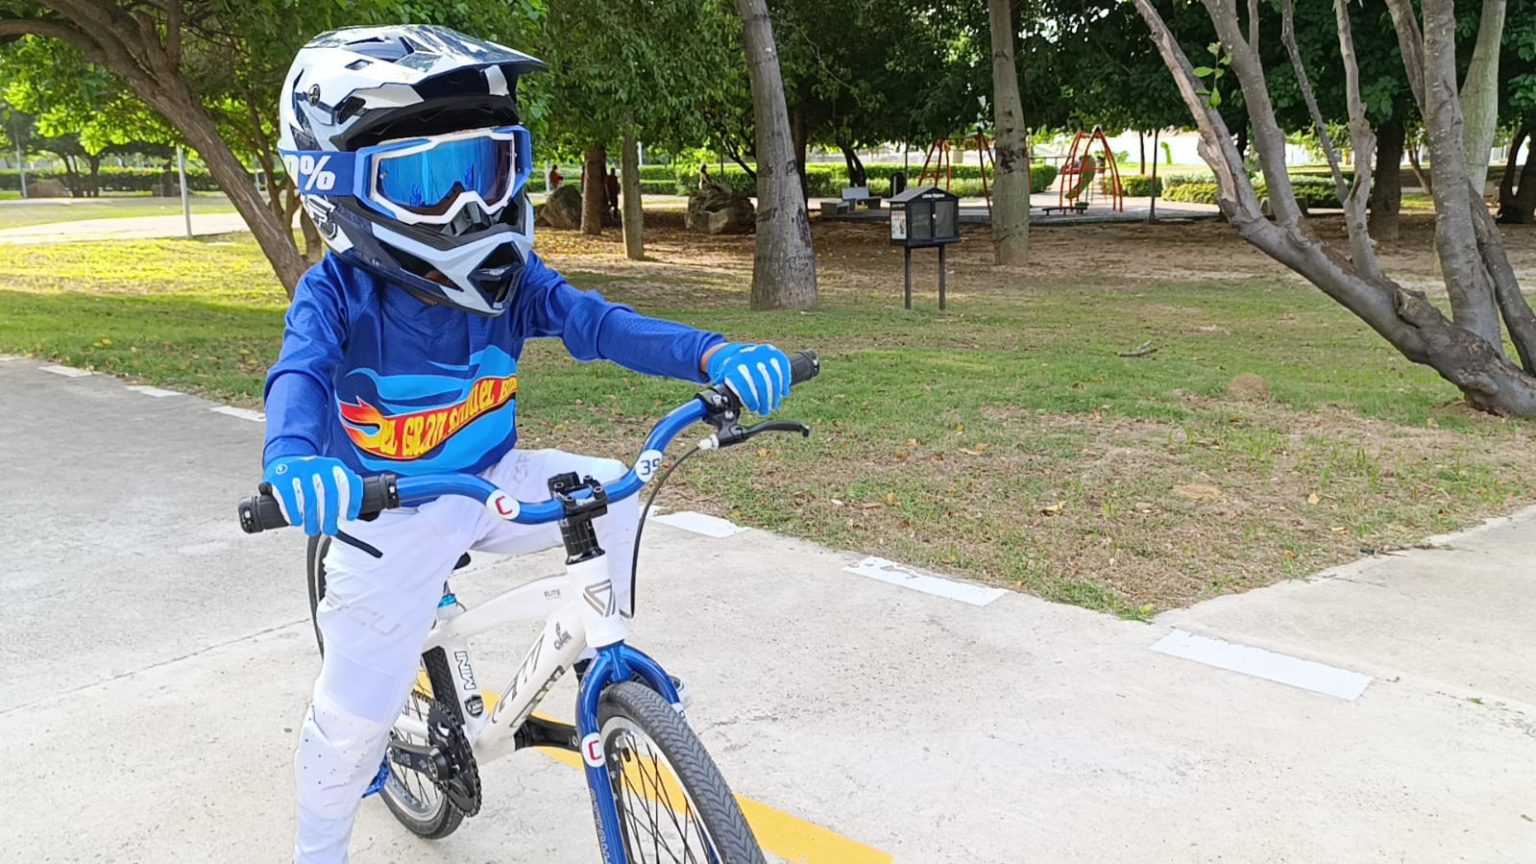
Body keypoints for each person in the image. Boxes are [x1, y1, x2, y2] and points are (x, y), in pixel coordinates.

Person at [270, 25, 793, 863]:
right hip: (385, 509)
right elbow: (297, 376)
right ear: (336, 188)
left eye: (487, 169)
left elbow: (600, 324)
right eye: (428, 181)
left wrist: (713, 354)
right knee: (348, 728)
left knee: (611, 489)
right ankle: (317, 851)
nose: (470, 209)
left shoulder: (512, 281)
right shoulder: (339, 292)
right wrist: (294, 461)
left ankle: (605, 662)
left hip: (493, 479)